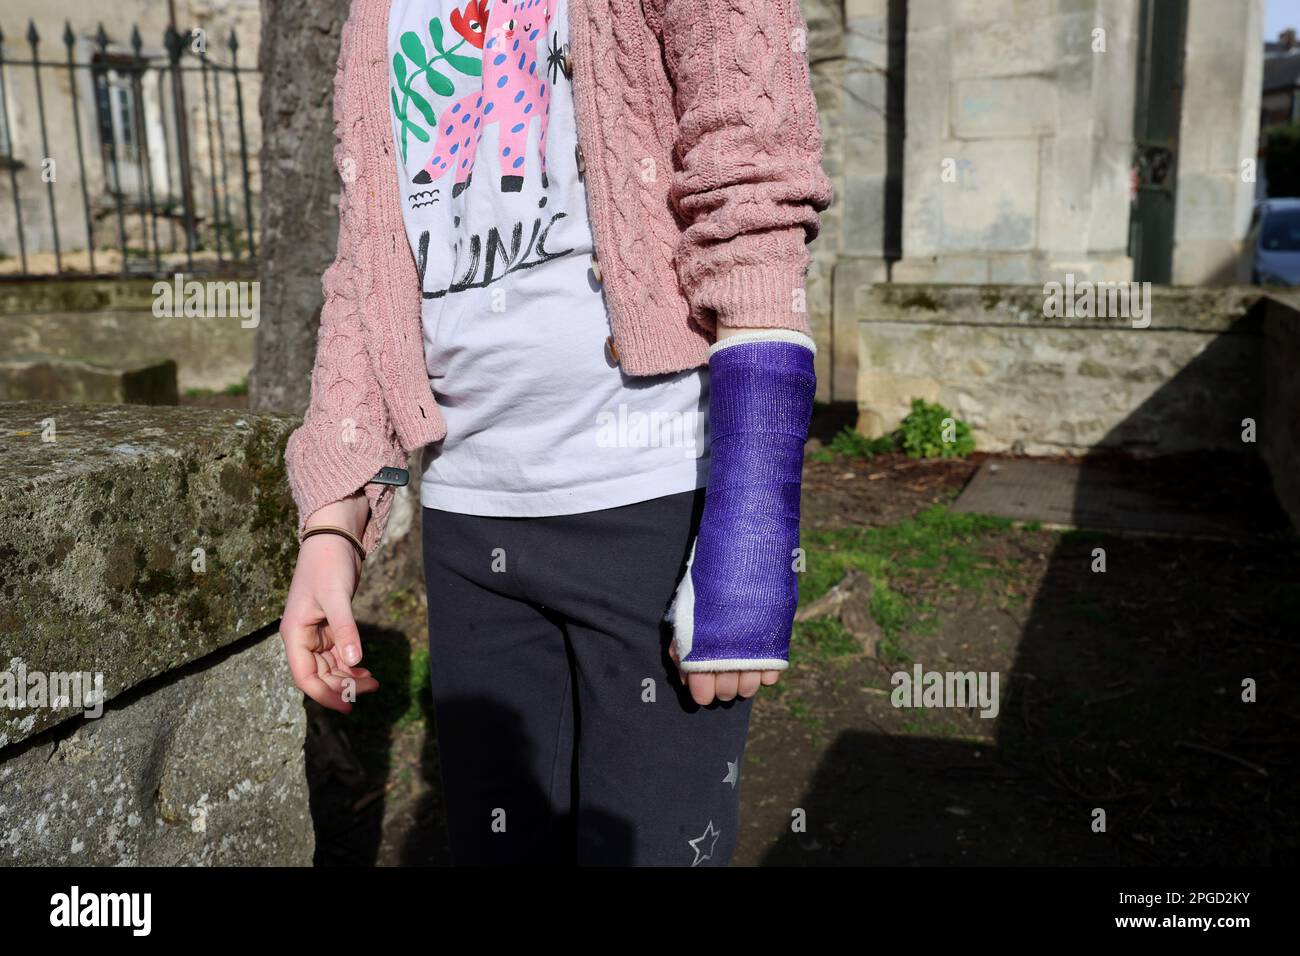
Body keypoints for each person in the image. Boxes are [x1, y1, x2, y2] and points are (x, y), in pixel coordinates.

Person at [278, 0, 832, 866]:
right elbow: (369, 270)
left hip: (656, 509)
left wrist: (752, 522)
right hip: (469, 532)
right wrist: (334, 522)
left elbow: (753, 177)